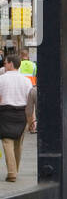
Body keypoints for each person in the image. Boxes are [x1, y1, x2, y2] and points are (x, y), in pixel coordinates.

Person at [0, 54, 37, 182]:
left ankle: (12, 173)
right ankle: (15, 170)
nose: (4, 65)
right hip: (22, 114)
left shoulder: (1, 79)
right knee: (18, 144)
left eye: (5, 63)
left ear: (11, 64)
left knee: (7, 143)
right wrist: (32, 120)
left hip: (5, 113)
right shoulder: (26, 81)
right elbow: (30, 102)